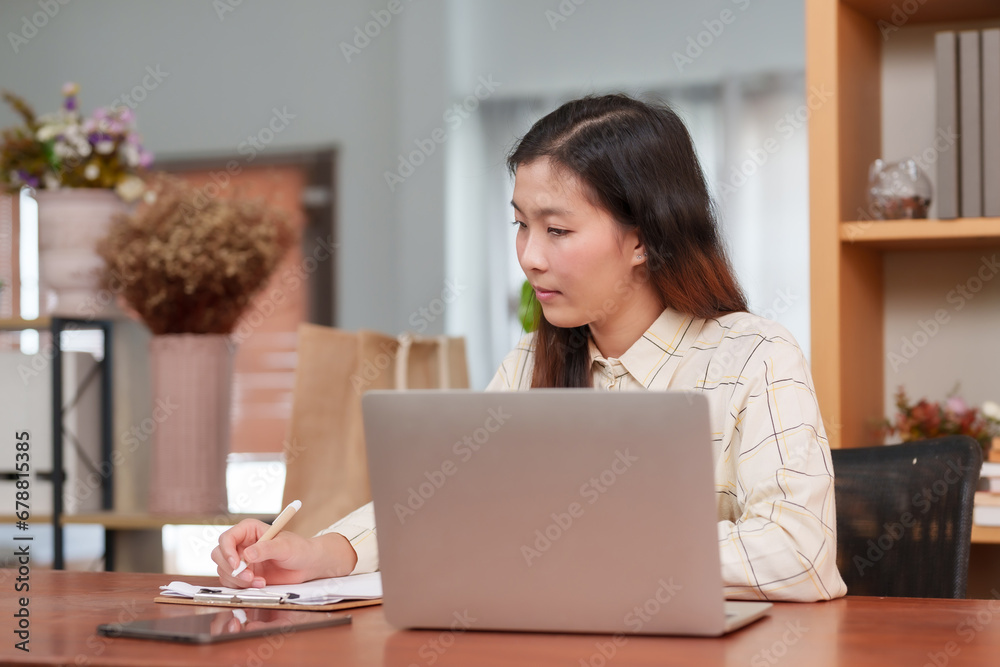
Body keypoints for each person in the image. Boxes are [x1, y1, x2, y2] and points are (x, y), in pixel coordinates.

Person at [212, 93, 847, 601]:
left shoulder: (756, 356)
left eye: (558, 229)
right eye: (520, 224)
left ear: (645, 239)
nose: (529, 257)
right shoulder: (533, 360)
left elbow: (800, 555)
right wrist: (322, 553)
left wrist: (586, 546)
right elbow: (449, 500)